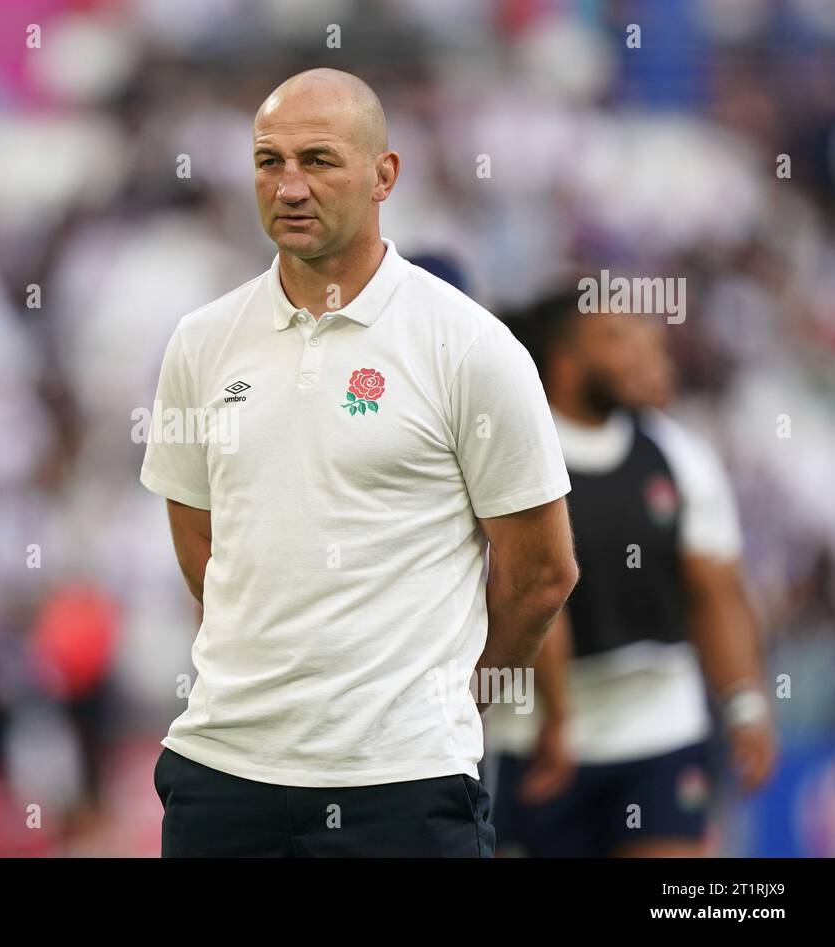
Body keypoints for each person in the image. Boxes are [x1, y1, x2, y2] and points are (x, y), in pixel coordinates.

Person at [139, 68, 578, 857]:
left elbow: (542, 569)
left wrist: (449, 697)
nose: (290, 185)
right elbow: (201, 543)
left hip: (404, 782)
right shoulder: (201, 342)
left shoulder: (470, 347)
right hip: (223, 771)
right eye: (269, 162)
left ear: (385, 175)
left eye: (318, 159)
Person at [485, 290, 778, 857]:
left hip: (659, 728)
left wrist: (745, 703)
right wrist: (556, 716)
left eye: (646, 334)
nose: (648, 348)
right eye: (619, 338)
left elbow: (716, 594)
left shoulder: (680, 455)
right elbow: (529, 596)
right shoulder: (515, 453)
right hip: (535, 738)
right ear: (565, 362)